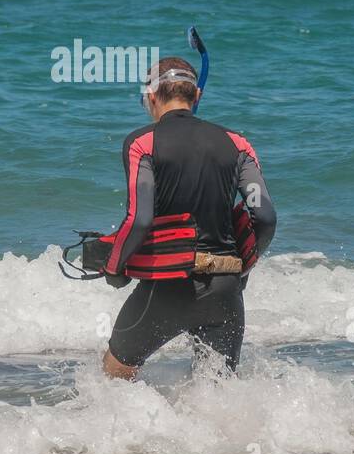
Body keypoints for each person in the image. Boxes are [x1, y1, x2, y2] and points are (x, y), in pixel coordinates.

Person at [101, 57, 276, 379]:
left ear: (152, 97)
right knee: (217, 391)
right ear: (197, 96)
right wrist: (243, 266)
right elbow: (264, 216)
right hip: (225, 290)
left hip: (167, 287)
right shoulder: (238, 145)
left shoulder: (142, 142)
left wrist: (114, 268)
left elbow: (139, 220)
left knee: (115, 372)